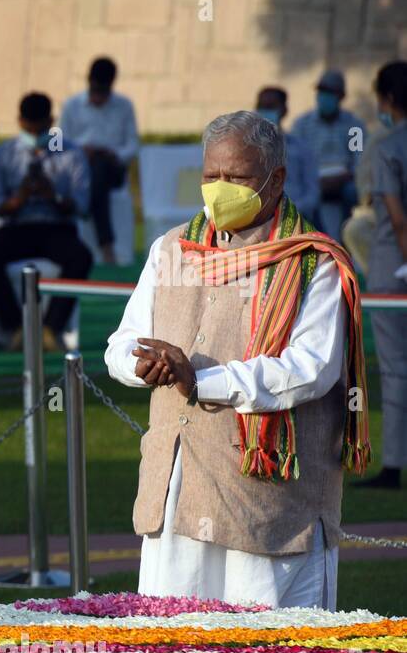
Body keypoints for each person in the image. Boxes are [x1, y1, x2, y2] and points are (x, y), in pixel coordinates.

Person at [105, 111, 369, 608]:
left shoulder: (313, 263)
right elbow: (122, 342)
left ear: (277, 180)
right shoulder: (171, 250)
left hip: (267, 502)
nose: (219, 188)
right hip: (176, 489)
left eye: (237, 177)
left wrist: (201, 380)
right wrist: (141, 365)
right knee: (171, 648)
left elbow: (308, 370)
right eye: (211, 176)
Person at [0, 92, 92, 350]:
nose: (35, 133)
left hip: (56, 228)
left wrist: (54, 197)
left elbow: (82, 207)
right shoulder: (3, 155)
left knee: (81, 257)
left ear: (51, 122)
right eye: (29, 128)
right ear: (20, 122)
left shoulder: (72, 154)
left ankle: (51, 328)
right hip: (17, 227)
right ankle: (16, 327)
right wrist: (19, 199)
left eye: (40, 128)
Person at [357, 61, 407, 490]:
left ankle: (393, 464)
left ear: (389, 99)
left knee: (394, 369)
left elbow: (396, 217)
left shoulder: (387, 147)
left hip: (394, 268)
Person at [60, 57, 138, 264]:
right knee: (94, 171)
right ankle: (106, 246)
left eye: (102, 92)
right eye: (95, 91)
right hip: (81, 168)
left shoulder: (124, 106)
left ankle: (93, 224)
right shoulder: (71, 106)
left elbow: (132, 145)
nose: (98, 97)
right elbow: (60, 143)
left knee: (100, 168)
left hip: (112, 169)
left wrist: (114, 154)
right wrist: (81, 150)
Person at [292, 69, 365, 231]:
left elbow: (359, 160)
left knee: (353, 192)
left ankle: (346, 232)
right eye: (321, 91)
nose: (324, 96)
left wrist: (342, 178)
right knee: (304, 197)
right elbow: (296, 161)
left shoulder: (354, 126)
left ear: (341, 96)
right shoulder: (302, 125)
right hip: (312, 180)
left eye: (330, 92)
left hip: (344, 181)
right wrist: (314, 181)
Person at [256, 86, 320, 221]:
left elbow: (313, 193)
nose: (265, 111)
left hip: (296, 216)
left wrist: (289, 212)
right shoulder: (246, 148)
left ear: (284, 110)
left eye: (271, 106)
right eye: (262, 106)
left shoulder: (300, 148)